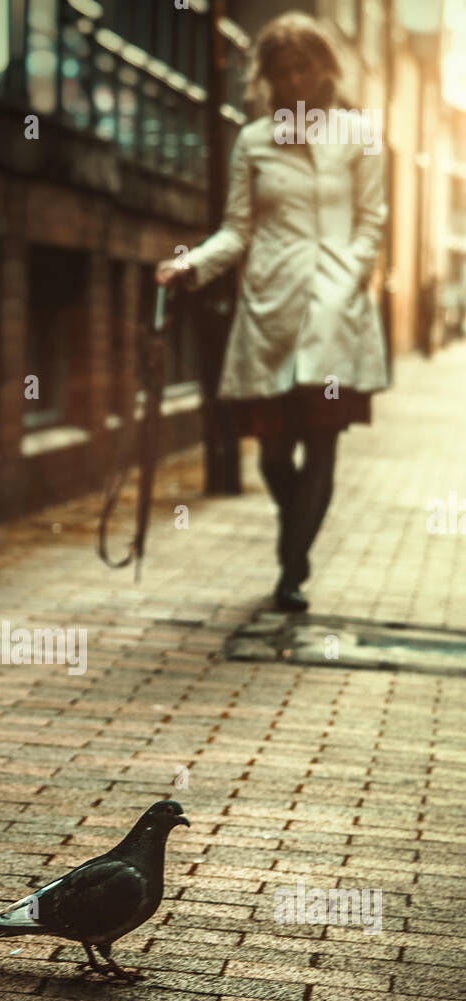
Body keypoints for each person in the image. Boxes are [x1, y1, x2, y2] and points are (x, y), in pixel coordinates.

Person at [157, 11, 388, 612]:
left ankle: (291, 570)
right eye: (279, 73)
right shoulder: (254, 141)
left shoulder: (360, 135)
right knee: (275, 453)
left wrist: (346, 281)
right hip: (272, 312)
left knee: (324, 441)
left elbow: (371, 223)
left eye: (302, 69)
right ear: (266, 78)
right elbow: (236, 230)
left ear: (324, 71)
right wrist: (191, 265)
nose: (291, 83)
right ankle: (299, 535)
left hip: (335, 318)